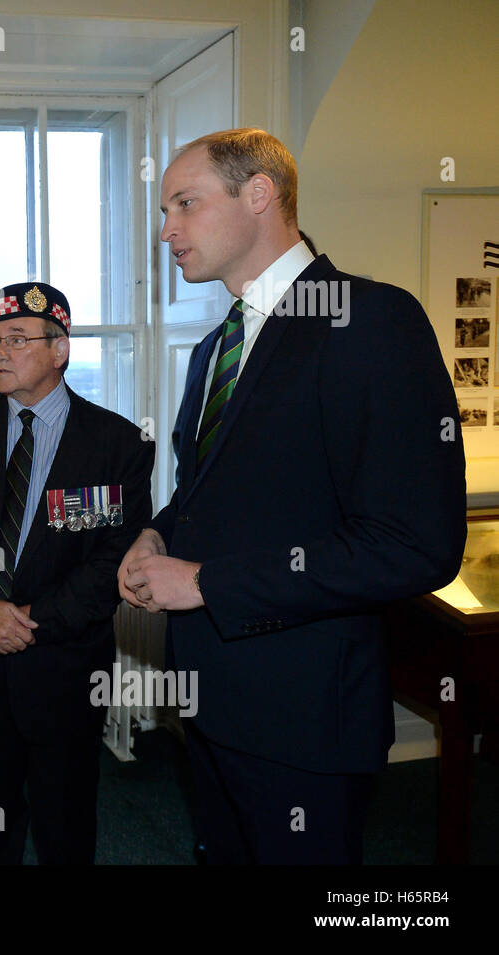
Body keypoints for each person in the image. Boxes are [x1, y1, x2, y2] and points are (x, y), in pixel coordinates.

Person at [118, 128, 466, 864]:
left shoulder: (370, 320)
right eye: (162, 210)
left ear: (259, 193)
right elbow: (206, 494)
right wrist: (157, 533)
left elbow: (416, 543)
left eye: (184, 203)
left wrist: (205, 582)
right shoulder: (216, 347)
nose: (165, 230)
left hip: (304, 718)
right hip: (210, 704)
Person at [0, 281, 154, 864]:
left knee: (65, 820)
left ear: (59, 350)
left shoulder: (116, 443)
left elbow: (114, 559)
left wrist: (29, 621)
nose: (0, 352)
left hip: (64, 666)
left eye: (17, 340)